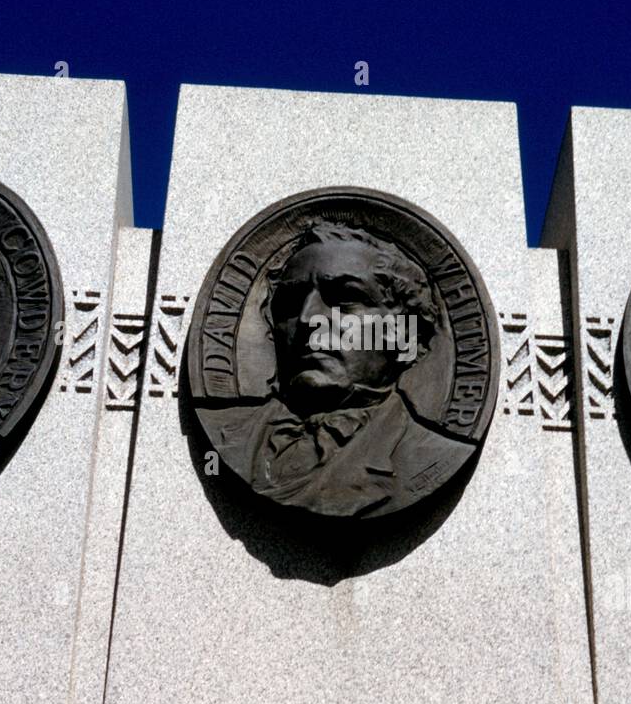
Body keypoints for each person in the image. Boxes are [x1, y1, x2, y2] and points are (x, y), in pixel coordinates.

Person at [197, 221, 473, 517]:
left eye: (344, 299)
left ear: (404, 333)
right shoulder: (224, 440)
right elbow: (210, 467)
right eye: (291, 301)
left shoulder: (430, 454)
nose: (307, 319)